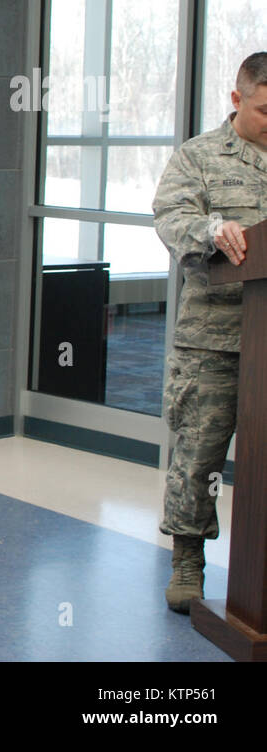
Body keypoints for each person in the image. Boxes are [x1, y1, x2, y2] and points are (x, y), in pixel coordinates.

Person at [152, 51, 267, 613]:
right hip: (214, 339)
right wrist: (211, 227)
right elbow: (171, 220)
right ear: (237, 98)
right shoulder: (197, 158)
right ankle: (187, 562)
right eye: (266, 109)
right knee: (198, 458)